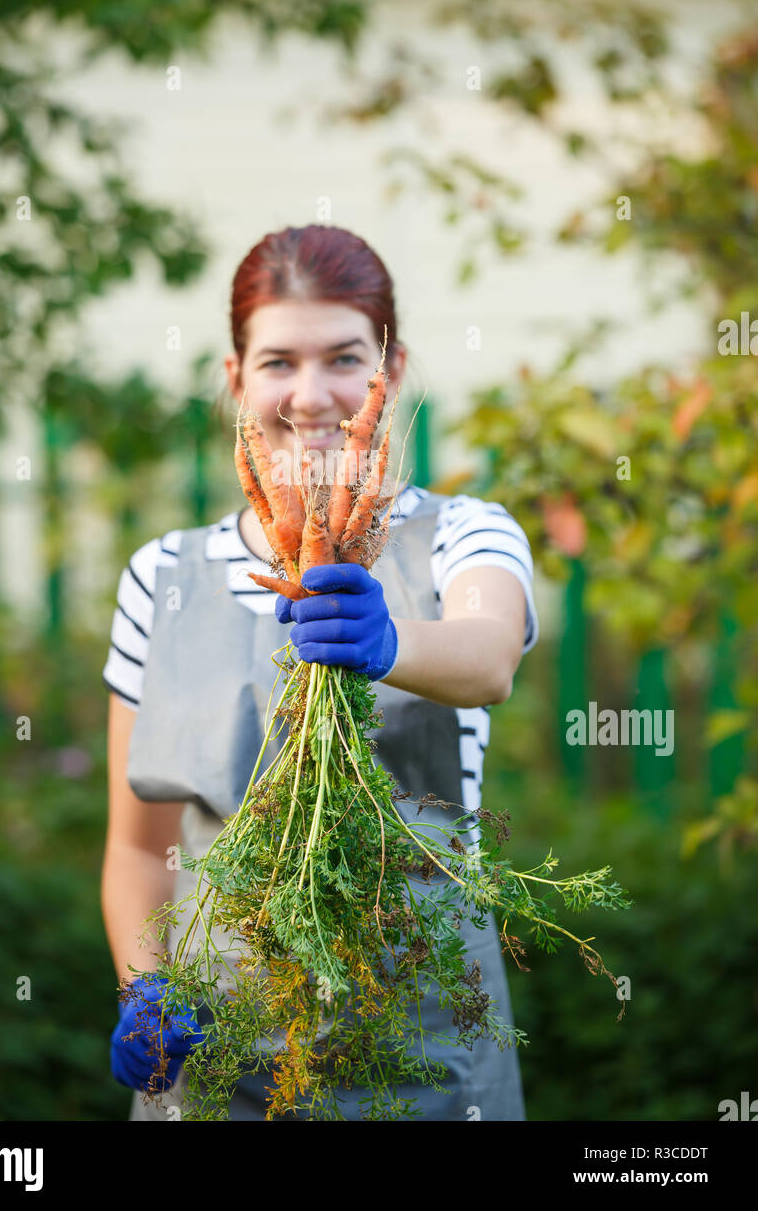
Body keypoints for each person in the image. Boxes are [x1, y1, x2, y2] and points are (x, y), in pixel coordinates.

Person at [101, 224, 539, 1121]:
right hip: (216, 1068)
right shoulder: (163, 575)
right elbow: (140, 846)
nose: (311, 397)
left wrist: (391, 644)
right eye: (276, 363)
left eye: (345, 358)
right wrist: (143, 990)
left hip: (421, 1066)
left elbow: (489, 653)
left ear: (393, 370)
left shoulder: (462, 535)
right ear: (236, 379)